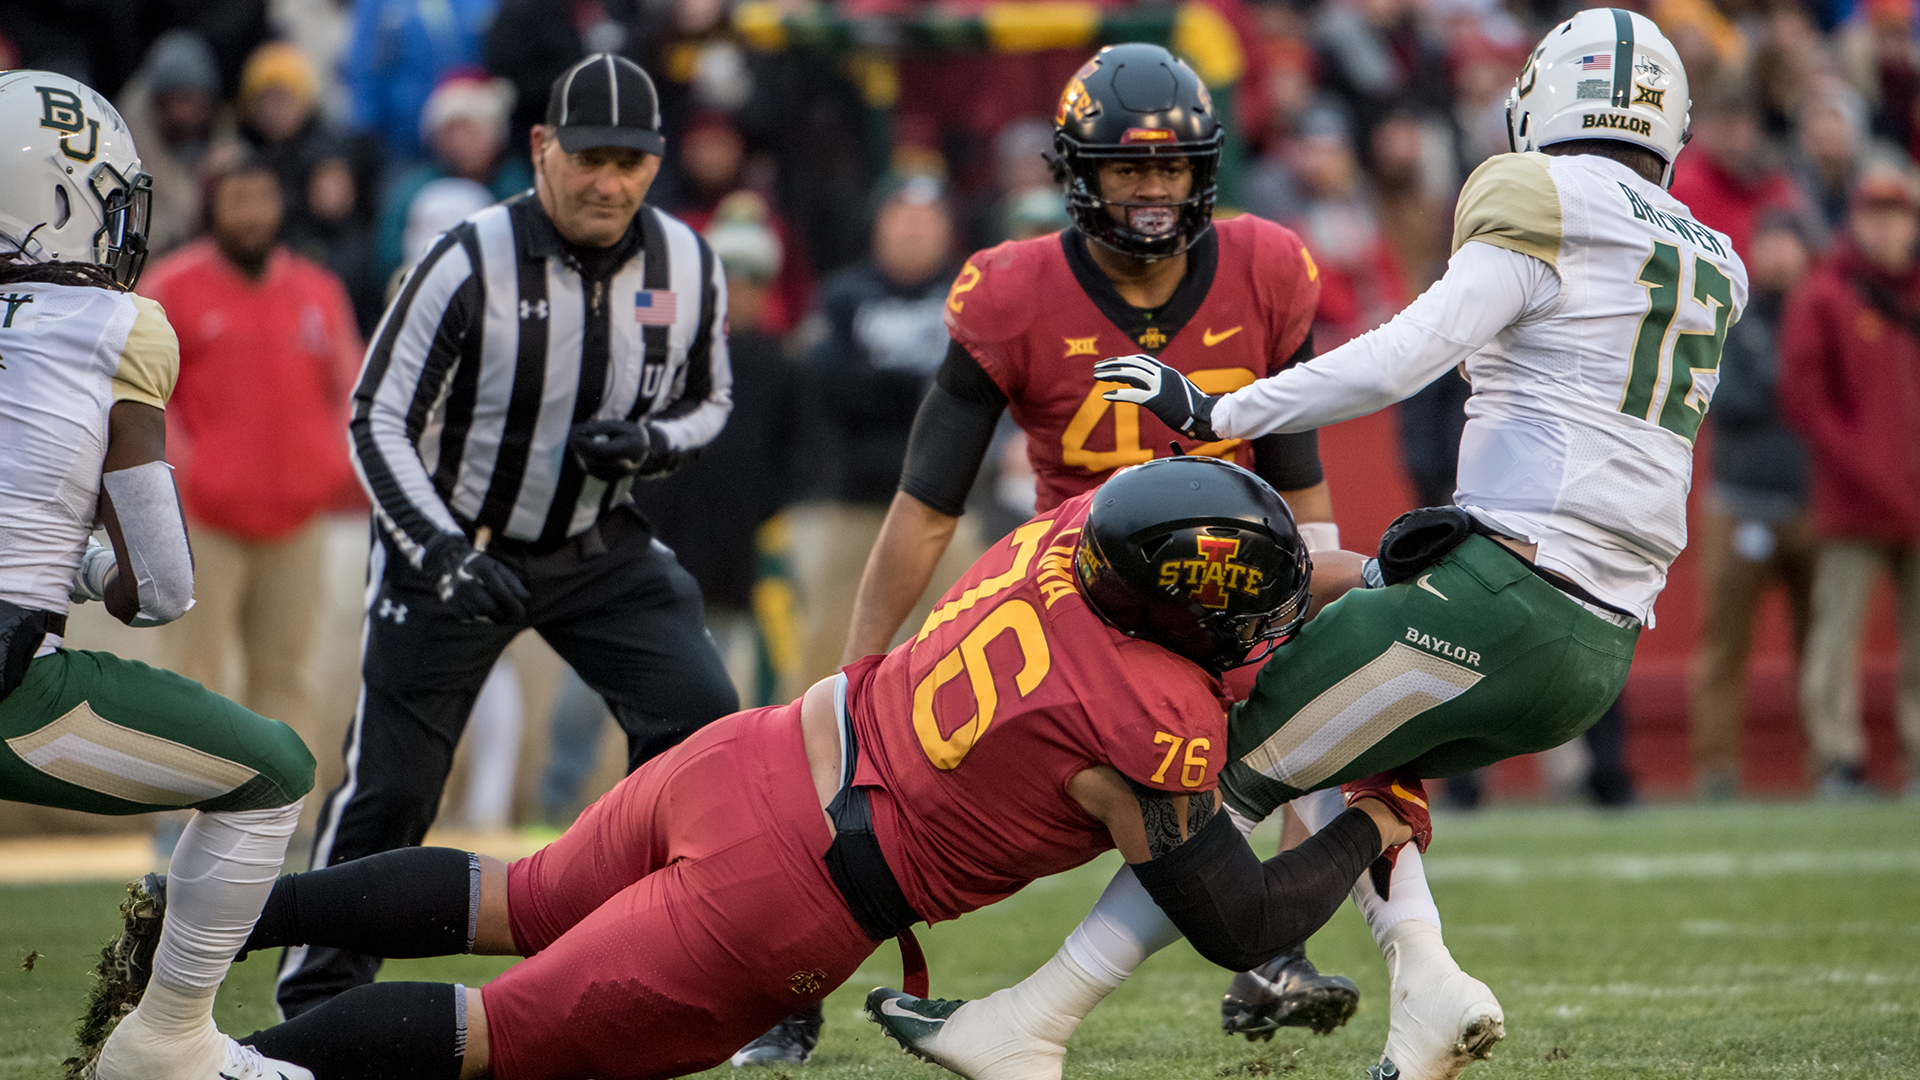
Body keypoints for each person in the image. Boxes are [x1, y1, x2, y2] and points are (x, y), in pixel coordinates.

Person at [871, 12, 1745, 1080]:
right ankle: (1426, 985)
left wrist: (1216, 407)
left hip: (1505, 589)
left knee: (1205, 781)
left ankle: (1031, 1025)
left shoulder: (1535, 196)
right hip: (1600, 641)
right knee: (1361, 766)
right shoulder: (1713, 255)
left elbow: (1405, 353)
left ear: (1541, 100)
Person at [119, 457, 1424, 1080]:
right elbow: (1241, 919)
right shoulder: (1145, 726)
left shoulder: (1081, 532)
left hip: (755, 753)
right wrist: (1374, 820)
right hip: (791, 897)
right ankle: (210, 1068)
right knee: (494, 1034)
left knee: (509, 903)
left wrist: (1361, 568)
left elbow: (1209, 565)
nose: (1263, 624)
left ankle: (196, 927)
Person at [793, 42, 1356, 1066]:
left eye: (1172, 168)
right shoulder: (1009, 292)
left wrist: (1322, 596)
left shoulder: (1270, 267)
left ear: (1203, 172)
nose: (1151, 191)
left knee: (1327, 702)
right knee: (903, 799)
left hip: (1230, 602)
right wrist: (858, 667)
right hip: (1081, 611)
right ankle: (790, 977)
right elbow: (927, 505)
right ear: (1077, 172)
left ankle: (1281, 957)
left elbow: (1299, 468)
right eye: (1128, 168)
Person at [276, 52, 740, 1018]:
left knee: (706, 727)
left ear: (657, 162)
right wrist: (441, 552)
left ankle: (675, 957)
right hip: (456, 545)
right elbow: (374, 416)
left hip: (600, 542)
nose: (610, 181)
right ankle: (314, 1000)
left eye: (633, 161)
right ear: (541, 149)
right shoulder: (466, 257)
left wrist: (653, 441)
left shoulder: (689, 261)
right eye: (590, 158)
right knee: (392, 794)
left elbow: (712, 400)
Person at [0, 70, 314, 1080]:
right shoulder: (117, 329)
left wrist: (71, 561)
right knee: (273, 773)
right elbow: (164, 588)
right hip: (15, 691)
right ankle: (167, 1043)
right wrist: (96, 571)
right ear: (58, 198)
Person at [138, 154, 364, 802]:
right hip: (205, 520)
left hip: (297, 520)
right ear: (214, 207)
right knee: (194, 677)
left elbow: (346, 388)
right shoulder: (172, 288)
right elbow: (147, 397)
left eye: (263, 196)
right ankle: (182, 818)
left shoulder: (318, 290)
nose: (252, 212)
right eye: (238, 198)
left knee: (288, 675)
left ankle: (284, 814)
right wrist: (194, 471)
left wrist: (327, 467)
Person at [1779, 164, 1920, 800]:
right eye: (1876, 214)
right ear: (1855, 220)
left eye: (1899, 215)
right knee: (1837, 637)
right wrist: (1867, 466)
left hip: (1912, 500)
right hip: (1855, 503)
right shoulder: (1827, 294)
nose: (1888, 227)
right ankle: (1838, 757)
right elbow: (1804, 398)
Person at [1690, 212, 1816, 801]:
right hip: (1738, 504)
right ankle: (1717, 772)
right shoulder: (1732, 316)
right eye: (1770, 242)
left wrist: (1784, 385)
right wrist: (1791, 386)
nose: (1780, 254)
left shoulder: (1822, 315)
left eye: (1789, 240)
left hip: (1810, 503)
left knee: (1819, 644)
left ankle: (1830, 764)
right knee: (1723, 644)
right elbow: (1728, 397)